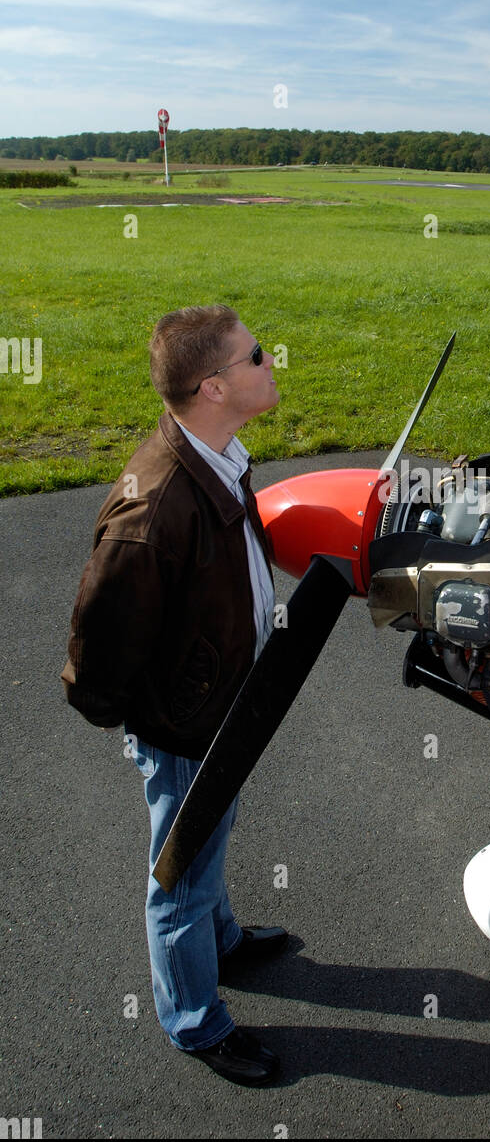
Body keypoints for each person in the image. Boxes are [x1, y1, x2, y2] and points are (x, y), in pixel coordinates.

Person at [62, 305, 287, 1086]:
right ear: (214, 385)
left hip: (220, 709)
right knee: (178, 878)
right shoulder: (154, 506)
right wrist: (156, 716)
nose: (271, 359)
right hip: (187, 728)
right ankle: (194, 1020)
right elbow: (99, 640)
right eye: (257, 355)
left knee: (207, 841)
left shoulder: (215, 452)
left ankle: (219, 941)